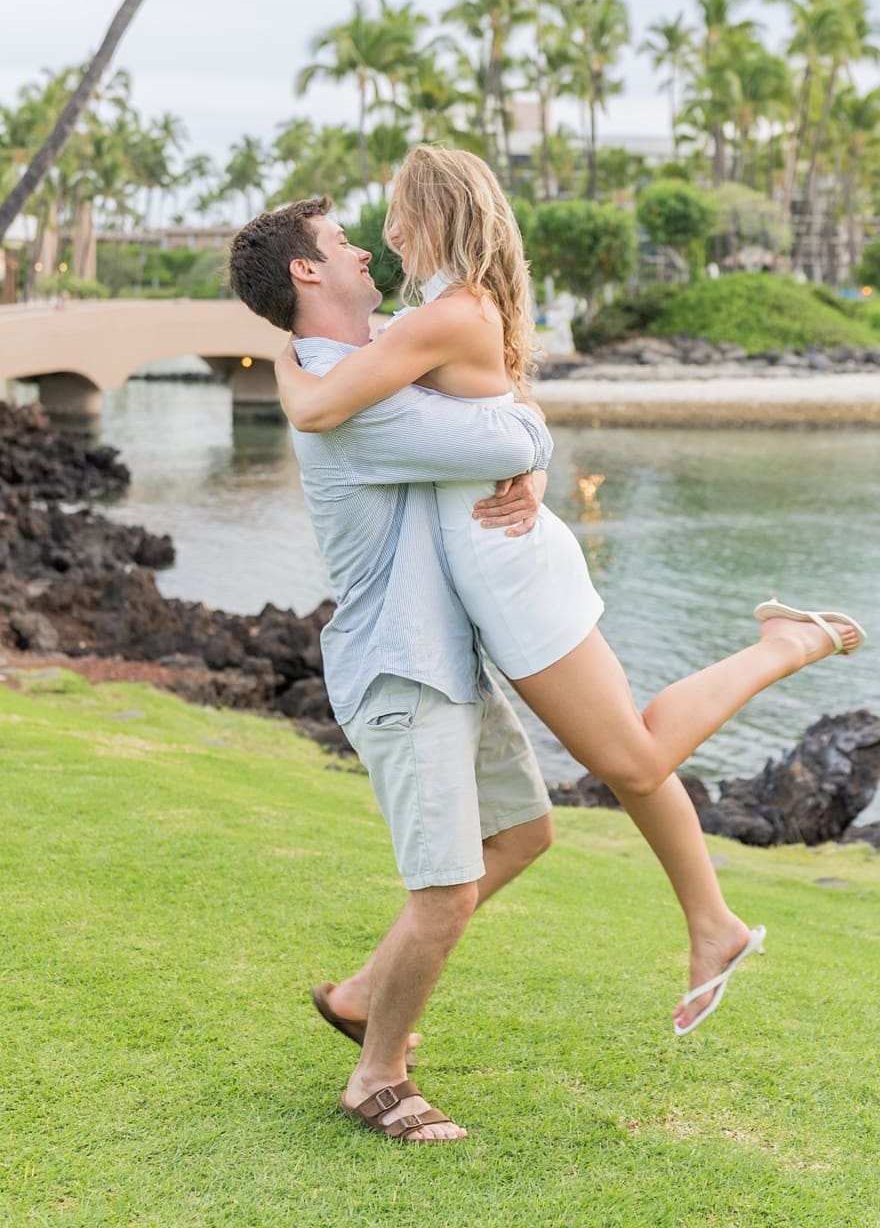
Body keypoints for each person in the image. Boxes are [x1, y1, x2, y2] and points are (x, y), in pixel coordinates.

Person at [276, 147, 867, 1041]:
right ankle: (713, 928)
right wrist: (536, 459)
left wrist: (278, 350)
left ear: (433, 216)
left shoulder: (445, 315)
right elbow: (505, 418)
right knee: (628, 755)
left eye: (398, 214)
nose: (387, 234)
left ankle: (785, 644)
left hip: (510, 570)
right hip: (496, 565)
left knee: (630, 760)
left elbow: (319, 409)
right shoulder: (436, 312)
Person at [230, 198, 563, 1144]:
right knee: (446, 888)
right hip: (400, 664)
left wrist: (520, 440)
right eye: (340, 243)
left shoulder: (366, 368)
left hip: (445, 650)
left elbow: (498, 410)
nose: (364, 247)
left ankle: (363, 995)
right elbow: (506, 430)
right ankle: (375, 1077)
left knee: (528, 833)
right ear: (304, 273)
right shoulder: (344, 393)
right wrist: (530, 450)